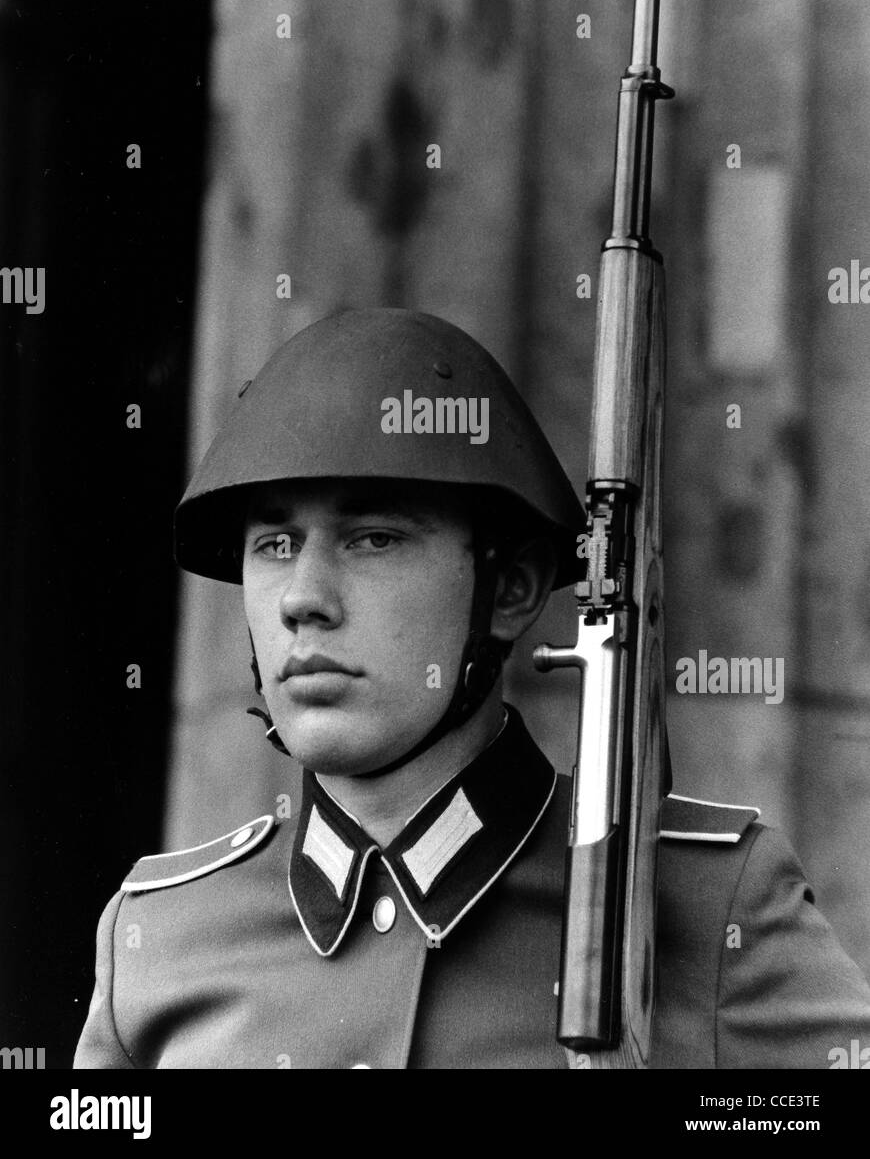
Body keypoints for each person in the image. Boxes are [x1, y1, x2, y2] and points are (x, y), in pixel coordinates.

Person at [74, 308, 870, 1069]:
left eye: (373, 538)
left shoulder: (710, 904)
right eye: (276, 544)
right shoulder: (164, 940)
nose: (302, 598)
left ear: (512, 588)